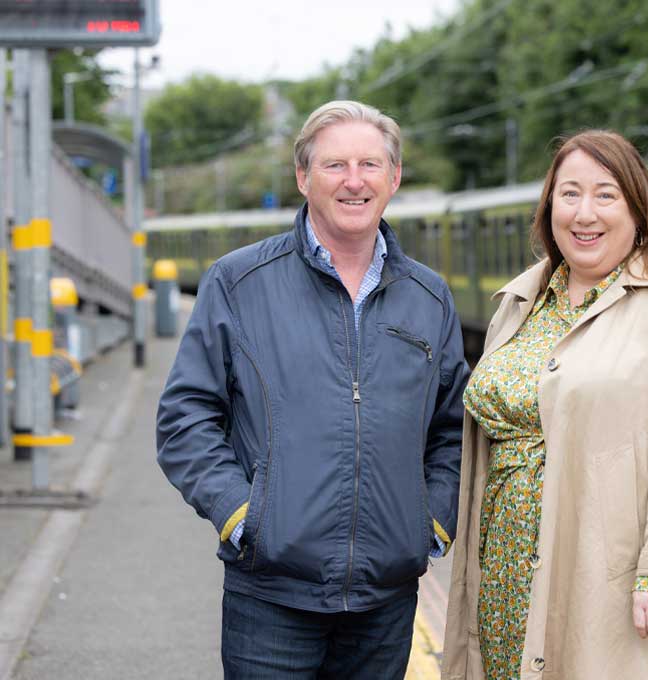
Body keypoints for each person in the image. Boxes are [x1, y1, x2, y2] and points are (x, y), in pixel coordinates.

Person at [156, 100, 469, 679]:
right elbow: (186, 417)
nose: (355, 181)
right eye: (334, 165)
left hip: (387, 600)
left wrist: (431, 523)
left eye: (371, 164)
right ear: (303, 178)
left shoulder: (430, 298)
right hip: (271, 597)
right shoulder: (239, 282)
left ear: (394, 178)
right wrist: (243, 517)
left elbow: (452, 429)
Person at [442, 130, 648, 680]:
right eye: (569, 194)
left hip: (605, 574)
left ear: (638, 210)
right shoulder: (520, 304)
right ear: (549, 206)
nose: (585, 213)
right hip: (505, 575)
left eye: (605, 195)